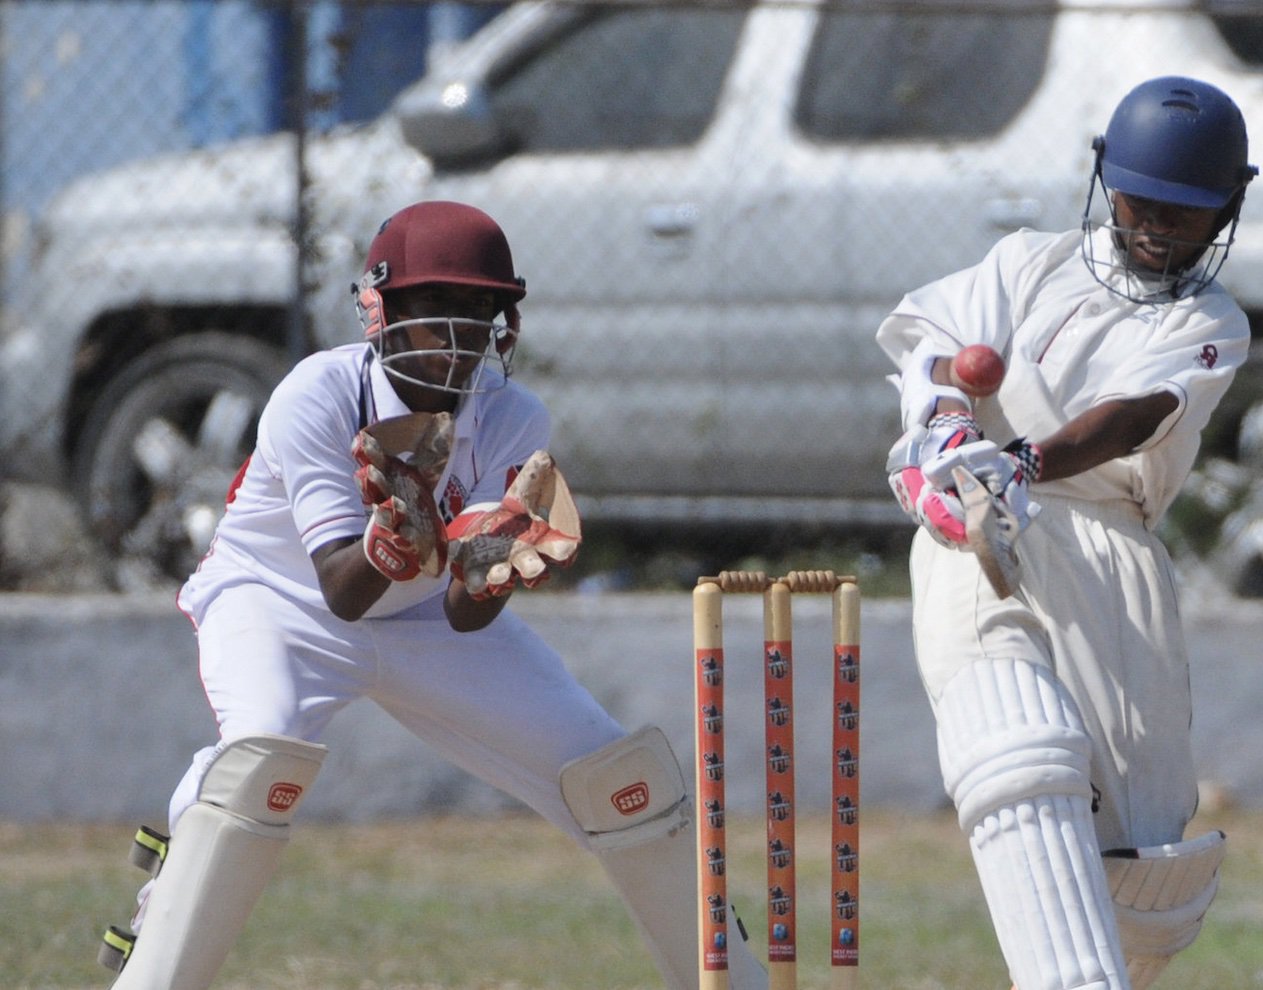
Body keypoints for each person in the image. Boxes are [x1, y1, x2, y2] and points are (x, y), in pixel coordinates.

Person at [98, 200, 766, 990]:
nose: (458, 334)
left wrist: (496, 569)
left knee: (620, 781)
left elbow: (459, 612)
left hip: (424, 620)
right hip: (281, 602)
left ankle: (739, 981)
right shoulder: (319, 394)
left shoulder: (514, 416)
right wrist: (388, 544)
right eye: (436, 307)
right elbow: (343, 593)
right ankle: (161, 940)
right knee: (260, 755)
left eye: (479, 309)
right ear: (380, 310)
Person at [879, 77, 1257, 990]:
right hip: (986, 524)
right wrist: (944, 427)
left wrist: (1025, 459)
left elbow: (1133, 415)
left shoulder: (1212, 323)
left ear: (1229, 208)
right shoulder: (1023, 263)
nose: (1160, 226)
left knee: (1146, 885)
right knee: (1017, 750)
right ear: (1103, 179)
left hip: (1110, 550)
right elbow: (936, 340)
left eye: (1187, 211)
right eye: (1143, 202)